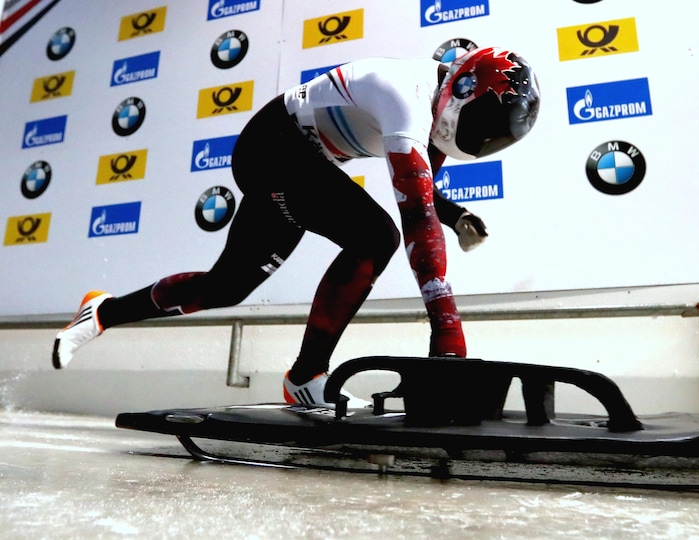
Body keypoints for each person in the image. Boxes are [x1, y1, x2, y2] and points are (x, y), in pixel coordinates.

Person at [52, 47, 540, 407]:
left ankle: (102, 313)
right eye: (484, 126)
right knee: (377, 236)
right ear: (461, 90)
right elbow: (414, 216)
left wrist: (455, 217)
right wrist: (448, 338)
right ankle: (306, 376)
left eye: (497, 137)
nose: (483, 141)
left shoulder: (441, 112)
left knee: (225, 288)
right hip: (272, 147)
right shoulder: (404, 97)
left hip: (301, 163)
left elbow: (425, 194)